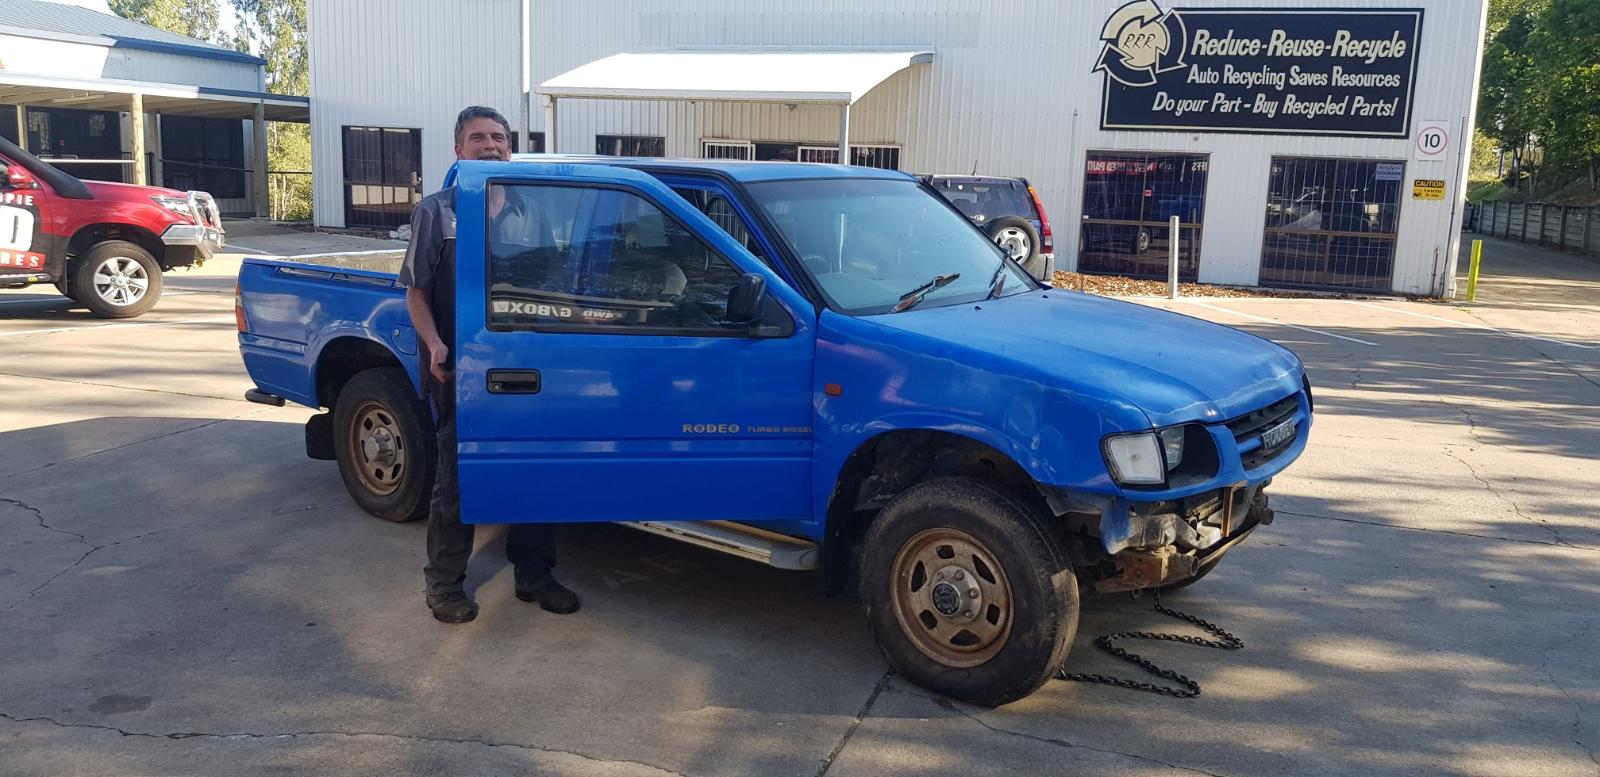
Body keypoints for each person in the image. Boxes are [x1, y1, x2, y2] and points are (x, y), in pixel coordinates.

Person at [397, 105, 580, 624]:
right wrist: (434, 345)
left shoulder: (532, 211)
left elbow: (548, 290)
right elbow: (417, 293)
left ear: (510, 147)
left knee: (533, 471)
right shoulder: (438, 211)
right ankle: (445, 585)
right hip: (462, 370)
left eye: (499, 138)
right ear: (458, 150)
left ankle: (535, 576)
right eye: (478, 138)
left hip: (529, 371)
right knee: (456, 479)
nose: (490, 146)